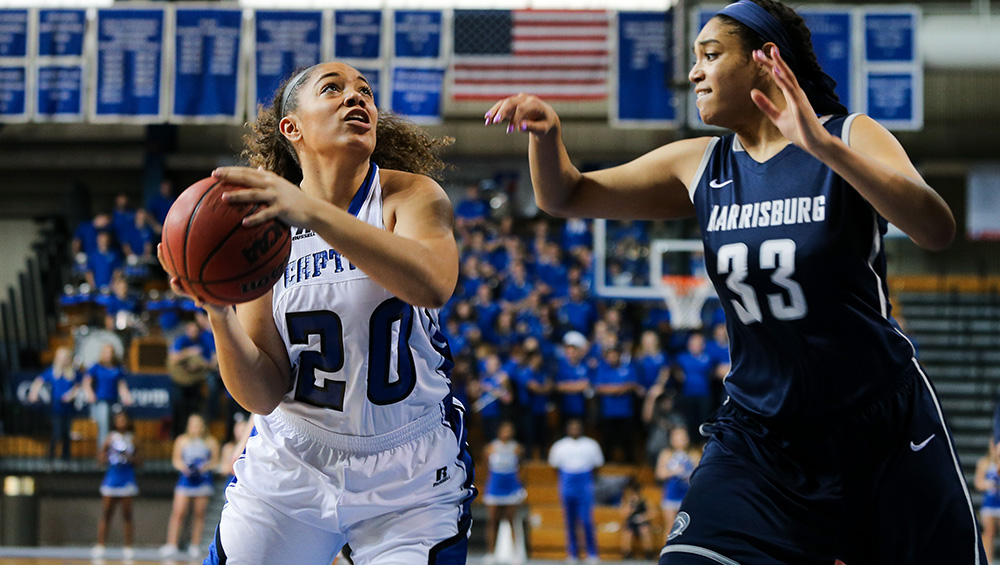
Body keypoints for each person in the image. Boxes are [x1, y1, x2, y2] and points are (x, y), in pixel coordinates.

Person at [485, 0, 983, 561]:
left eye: (710, 54)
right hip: (761, 432)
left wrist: (823, 148)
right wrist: (547, 136)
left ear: (765, 62)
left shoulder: (851, 134)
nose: (694, 70)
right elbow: (566, 196)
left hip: (880, 423)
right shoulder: (701, 163)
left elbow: (935, 229)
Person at [157, 61, 475, 564]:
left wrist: (314, 215)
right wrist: (218, 313)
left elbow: (433, 284)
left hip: (409, 474)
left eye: (365, 92)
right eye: (334, 89)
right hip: (293, 460)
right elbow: (262, 392)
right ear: (293, 127)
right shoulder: (261, 228)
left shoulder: (408, 195)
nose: (357, 98)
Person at [161, 414, 220, 558]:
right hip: (185, 481)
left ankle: (195, 544)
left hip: (203, 481)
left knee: (199, 514)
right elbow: (176, 460)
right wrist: (185, 467)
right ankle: (172, 544)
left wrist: (204, 467)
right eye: (193, 424)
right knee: (178, 513)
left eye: (198, 424)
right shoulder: (182, 440)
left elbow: (215, 461)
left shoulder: (211, 441)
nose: (196, 428)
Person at [548, 418, 604, 564]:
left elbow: (597, 466)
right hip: (567, 482)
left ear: (581, 428)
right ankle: (572, 553)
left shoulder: (591, 445)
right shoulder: (559, 446)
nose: (575, 429)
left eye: (577, 427)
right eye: (572, 427)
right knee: (570, 520)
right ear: (567, 429)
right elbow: (554, 467)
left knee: (586, 520)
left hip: (584, 482)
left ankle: (592, 553)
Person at [94, 408, 139, 560]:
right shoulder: (110, 437)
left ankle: (128, 546)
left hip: (126, 477)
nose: (121, 422)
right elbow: (100, 457)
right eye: (119, 419)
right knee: (106, 512)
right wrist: (109, 457)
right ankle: (100, 545)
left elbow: (140, 460)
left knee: (127, 514)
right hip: (112, 477)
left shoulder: (133, 438)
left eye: (124, 419)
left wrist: (129, 457)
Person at [482, 420, 527, 563]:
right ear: (499, 432)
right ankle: (490, 553)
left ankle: (516, 553)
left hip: (511, 487)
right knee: (492, 520)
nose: (507, 433)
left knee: (512, 520)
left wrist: (520, 486)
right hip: (495, 486)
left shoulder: (518, 449)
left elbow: (521, 467)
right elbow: (485, 467)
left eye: (509, 430)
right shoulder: (490, 448)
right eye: (504, 430)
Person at [27, 346, 81, 463]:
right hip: (56, 408)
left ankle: (66, 458)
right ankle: (50, 457)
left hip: (68, 408)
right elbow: (38, 381)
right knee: (56, 433)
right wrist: (33, 393)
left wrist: (70, 395)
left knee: (66, 433)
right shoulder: (52, 371)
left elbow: (78, 386)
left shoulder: (72, 373)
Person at [83, 343, 133, 452]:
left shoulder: (118, 368)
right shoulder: (96, 367)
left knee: (114, 427)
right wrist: (90, 394)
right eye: (106, 352)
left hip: (114, 401)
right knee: (104, 427)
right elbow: (86, 382)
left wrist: (126, 396)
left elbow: (121, 386)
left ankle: (114, 453)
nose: (108, 355)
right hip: (101, 401)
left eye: (110, 352)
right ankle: (102, 454)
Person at [655, 427, 697, 541]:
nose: (679, 439)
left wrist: (688, 474)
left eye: (682, 437)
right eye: (676, 437)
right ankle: (666, 555)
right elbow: (659, 473)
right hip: (671, 494)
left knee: (688, 527)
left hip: (687, 495)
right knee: (670, 526)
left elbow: (699, 474)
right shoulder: (666, 454)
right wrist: (673, 471)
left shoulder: (693, 454)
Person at [618, 477, 655, 560]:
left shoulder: (645, 501)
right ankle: (627, 553)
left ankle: (648, 552)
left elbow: (652, 513)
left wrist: (643, 517)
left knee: (644, 529)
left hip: (642, 522)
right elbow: (623, 514)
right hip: (631, 522)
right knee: (628, 532)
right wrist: (631, 507)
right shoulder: (626, 501)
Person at [975, 443, 1000, 562]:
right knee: (988, 533)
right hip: (989, 504)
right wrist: (987, 484)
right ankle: (988, 561)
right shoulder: (984, 463)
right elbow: (978, 483)